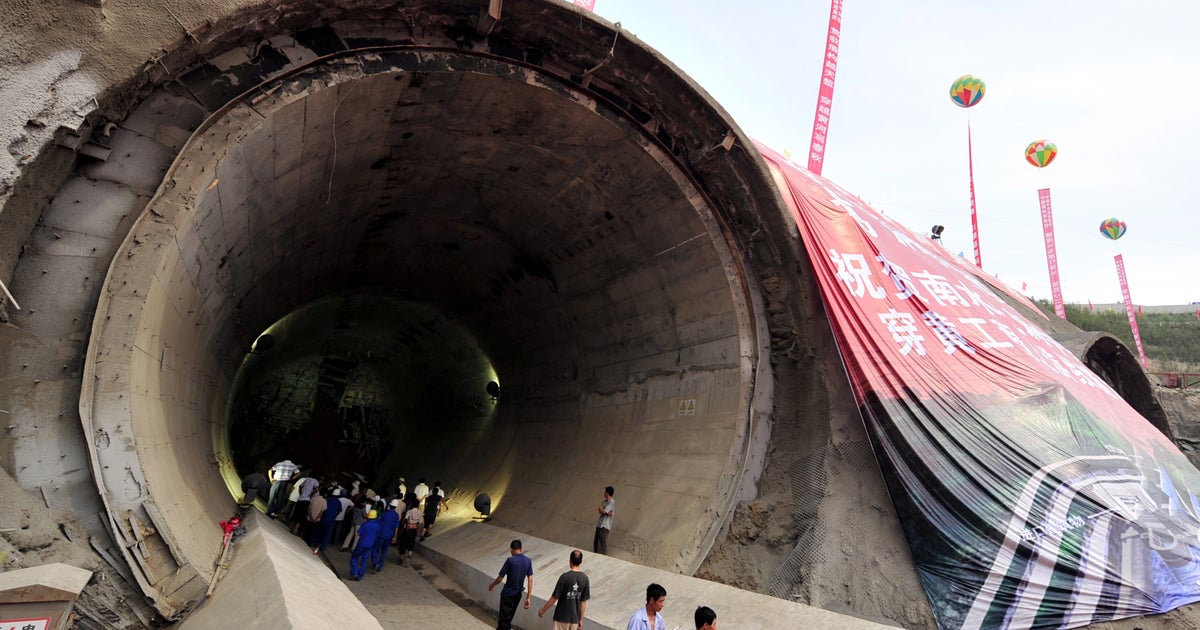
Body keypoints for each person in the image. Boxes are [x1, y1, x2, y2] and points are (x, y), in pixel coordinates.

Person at [487, 539, 534, 630]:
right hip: (518, 595)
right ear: (521, 549)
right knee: (506, 620)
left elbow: (500, 578)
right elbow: (530, 579)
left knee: (504, 622)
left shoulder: (510, 561)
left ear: (511, 549)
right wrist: (528, 597)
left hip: (507, 594)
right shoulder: (528, 561)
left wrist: (492, 585)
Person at [537, 549, 589, 630]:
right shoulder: (585, 579)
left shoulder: (564, 577)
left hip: (561, 618)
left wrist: (543, 609)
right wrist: (581, 620)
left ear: (570, 560)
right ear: (581, 561)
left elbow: (554, 598)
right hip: (574, 620)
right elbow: (583, 603)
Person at [349, 509, 380, 581]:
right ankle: (360, 576)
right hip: (370, 545)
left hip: (361, 544)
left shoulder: (365, 524)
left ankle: (354, 573)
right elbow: (378, 535)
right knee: (364, 560)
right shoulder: (377, 526)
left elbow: (359, 533)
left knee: (354, 557)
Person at [372, 499, 402, 573]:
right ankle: (380, 565)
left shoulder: (384, 513)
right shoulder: (396, 516)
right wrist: (395, 537)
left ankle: (374, 563)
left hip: (381, 534)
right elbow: (396, 527)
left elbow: (378, 523)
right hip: (389, 536)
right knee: (384, 551)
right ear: (395, 507)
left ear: (390, 505)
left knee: (376, 550)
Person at [397, 493, 422, 564]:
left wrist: (402, 526)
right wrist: (419, 531)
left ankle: (401, 557)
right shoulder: (420, 512)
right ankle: (409, 557)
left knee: (403, 542)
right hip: (414, 529)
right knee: (411, 543)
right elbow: (419, 523)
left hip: (407, 528)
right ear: (418, 505)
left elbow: (405, 519)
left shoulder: (409, 511)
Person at [594, 486, 615, 554]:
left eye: (605, 492)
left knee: (603, 542)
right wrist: (603, 511)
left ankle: (604, 555)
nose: (604, 493)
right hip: (600, 524)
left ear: (607, 493)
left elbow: (603, 511)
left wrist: (602, 510)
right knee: (596, 542)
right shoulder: (604, 501)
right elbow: (601, 511)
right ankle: (596, 554)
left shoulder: (612, 501)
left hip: (605, 525)